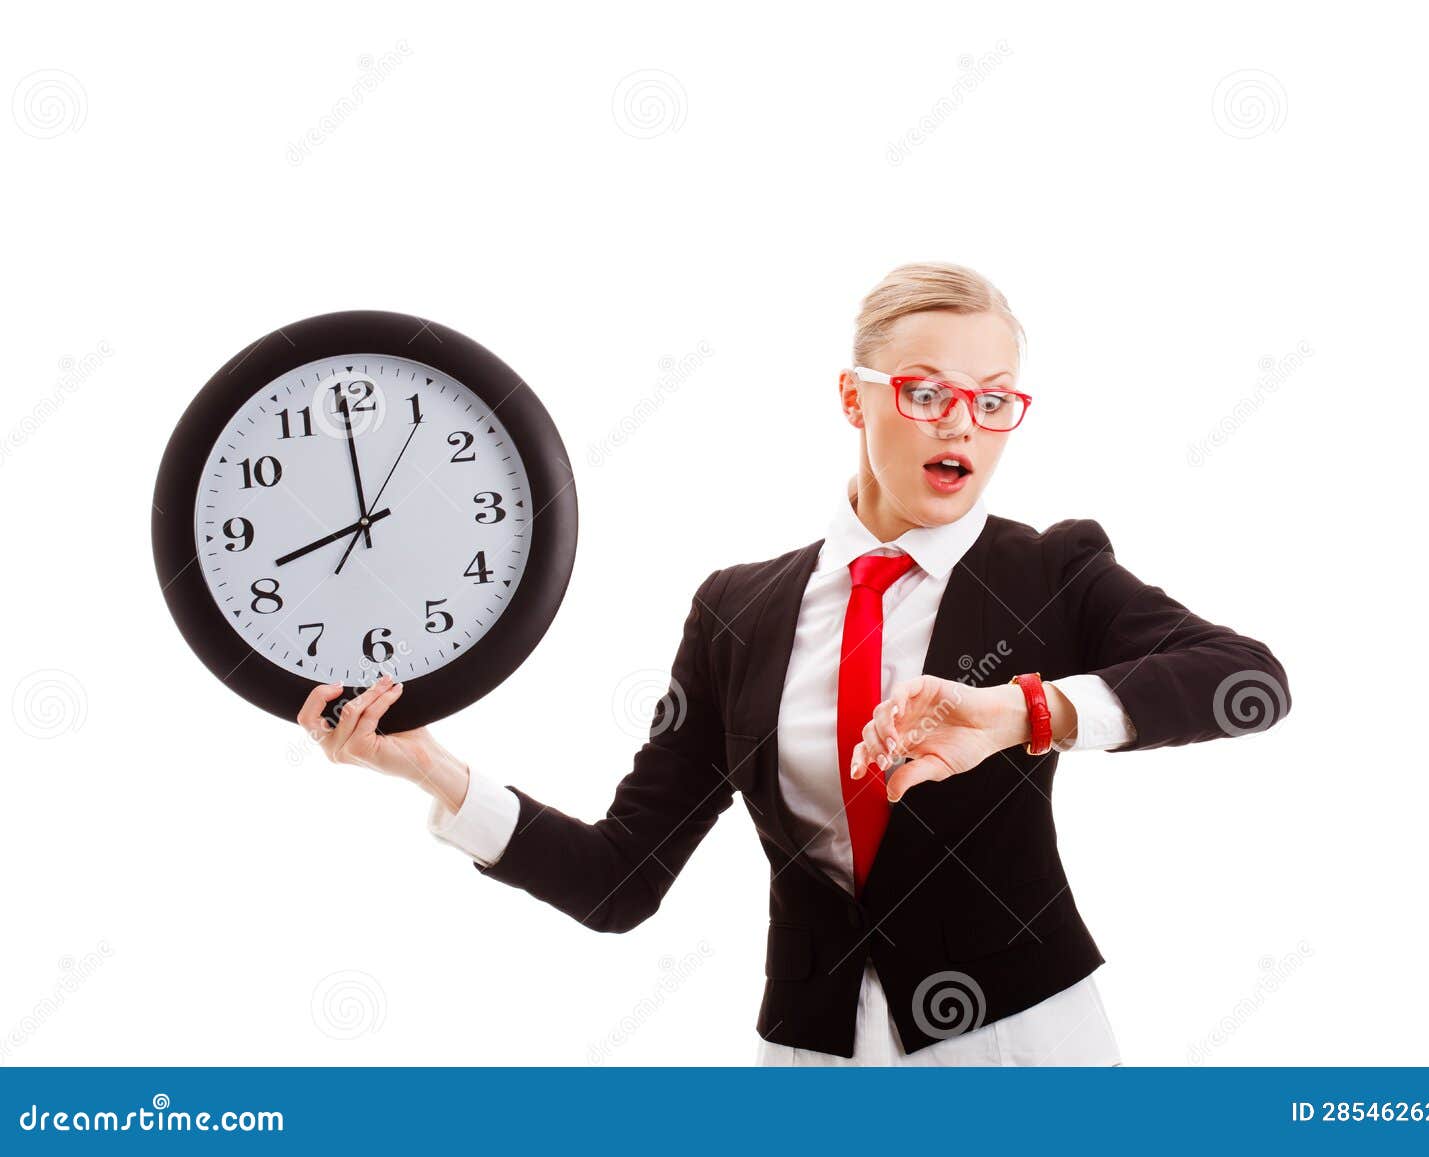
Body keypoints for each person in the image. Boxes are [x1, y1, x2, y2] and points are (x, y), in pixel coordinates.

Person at [295, 261, 1292, 1065]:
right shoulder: (738, 611)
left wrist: (1022, 711)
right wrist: (426, 766)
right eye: (926, 390)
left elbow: (1245, 678)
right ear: (853, 398)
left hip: (1019, 1052)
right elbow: (619, 878)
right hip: (811, 1060)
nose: (959, 423)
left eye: (993, 402)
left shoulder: (1049, 571)